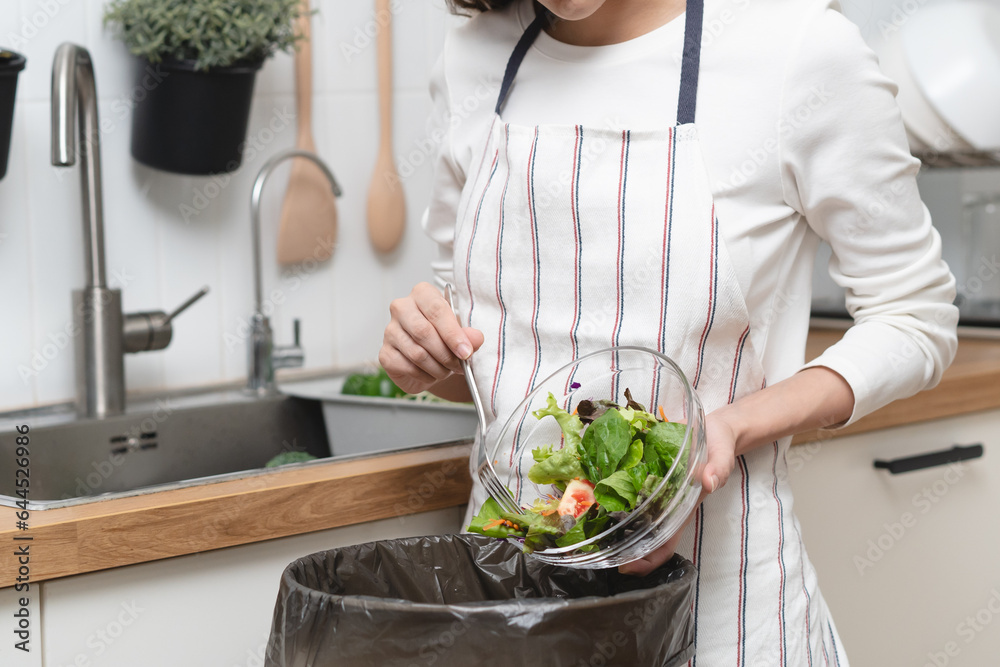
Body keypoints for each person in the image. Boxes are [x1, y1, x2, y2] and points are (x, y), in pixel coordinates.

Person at [379, 0, 958, 663]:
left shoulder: (796, 51)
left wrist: (734, 425)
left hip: (726, 616)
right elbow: (483, 365)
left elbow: (915, 314)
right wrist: (424, 357)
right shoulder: (471, 58)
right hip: (510, 614)